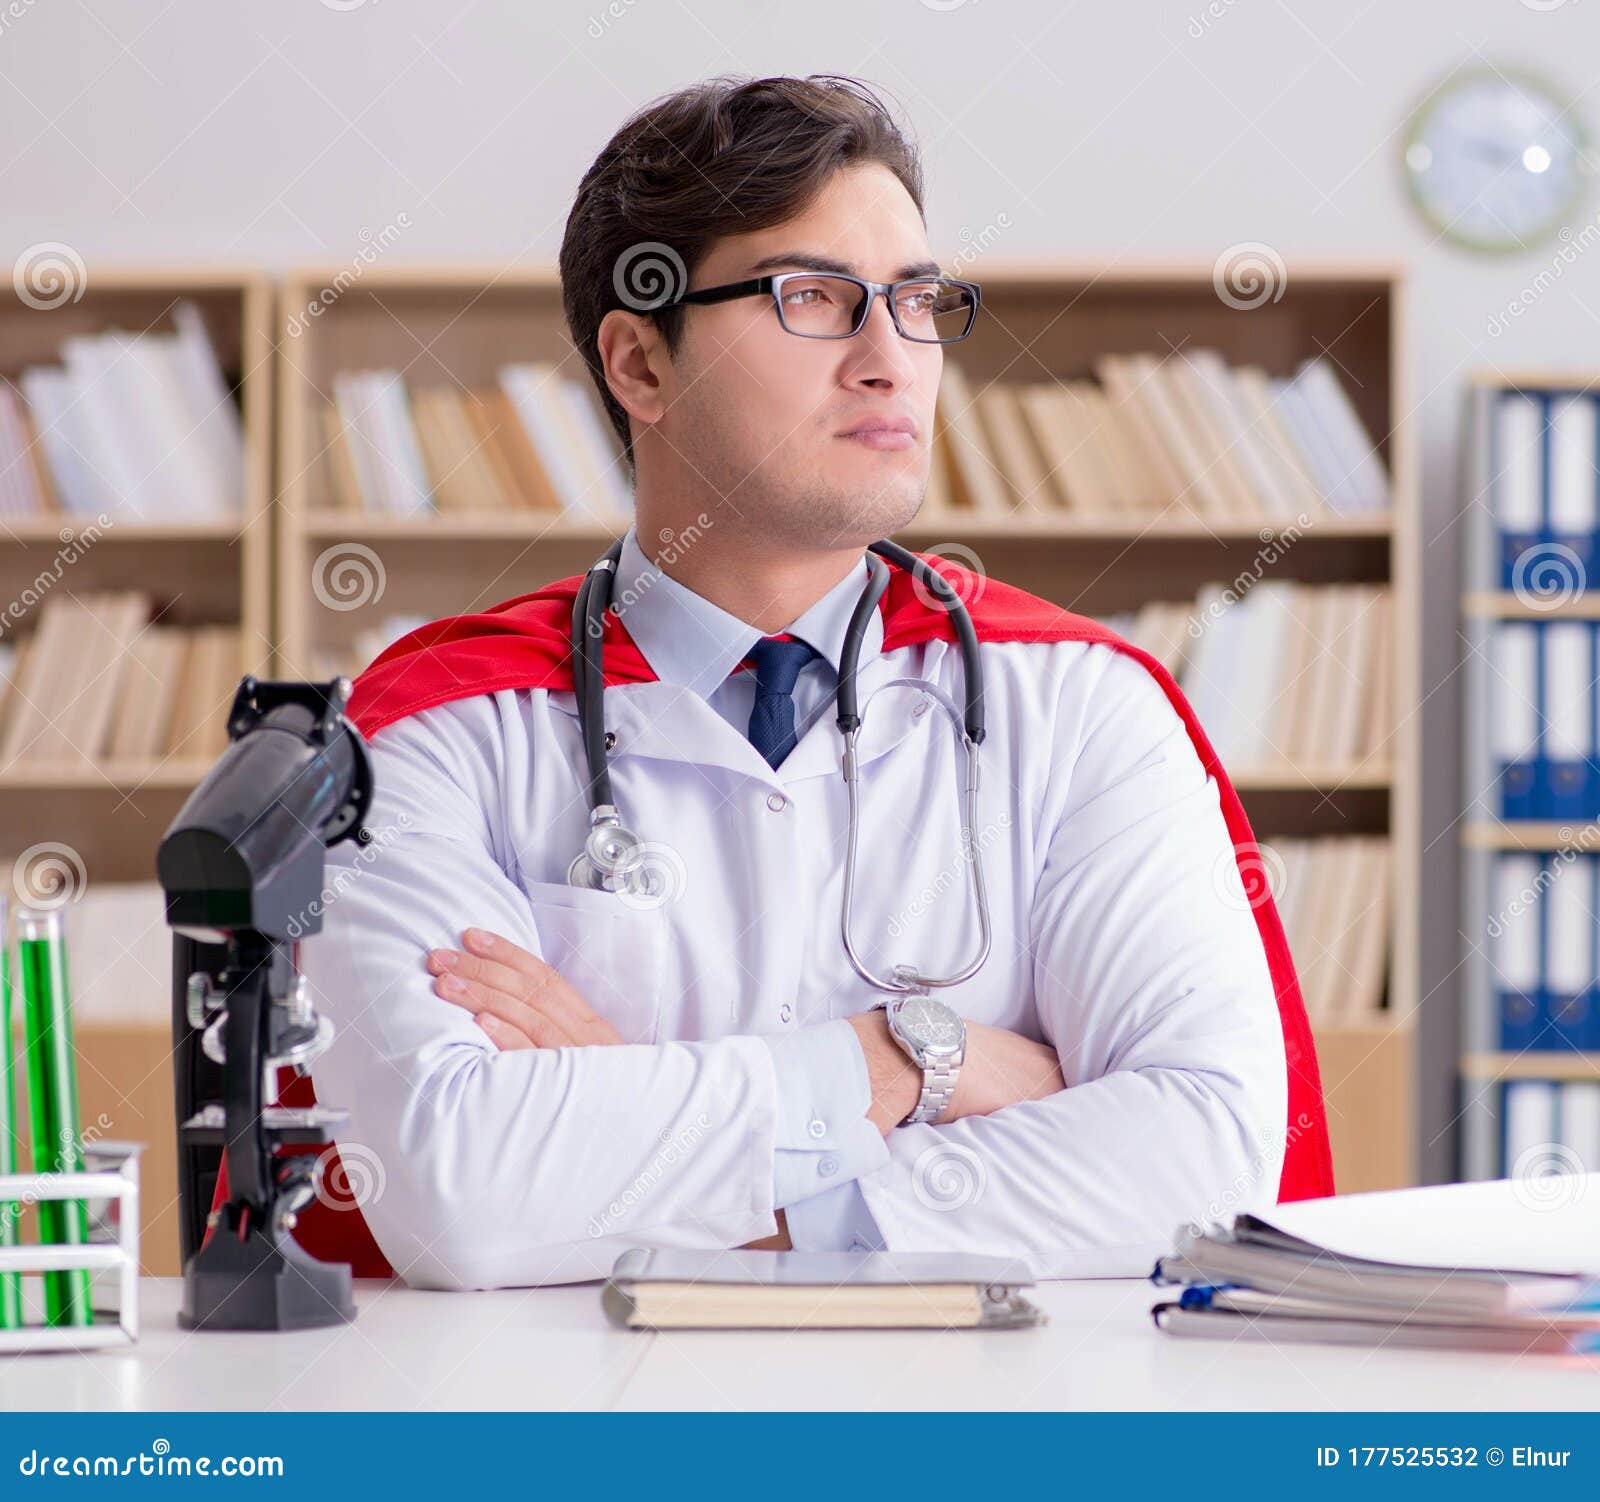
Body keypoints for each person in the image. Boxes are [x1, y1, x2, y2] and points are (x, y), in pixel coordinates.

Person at [296, 73, 1332, 1291]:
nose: (891, 359)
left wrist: (635, 1124)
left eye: (915, 300)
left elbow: (1206, 1152)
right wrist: (914, 1058)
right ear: (640, 363)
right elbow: (458, 1191)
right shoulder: (430, 732)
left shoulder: (1084, 703)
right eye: (814, 298)